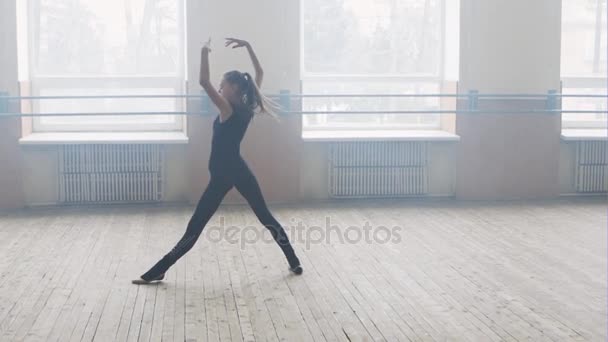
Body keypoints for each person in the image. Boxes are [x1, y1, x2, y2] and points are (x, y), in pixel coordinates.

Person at [132, 37, 303, 285]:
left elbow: (203, 81)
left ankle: (159, 269)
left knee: (195, 227)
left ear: (234, 88)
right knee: (265, 216)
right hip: (236, 171)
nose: (220, 88)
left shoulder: (228, 109)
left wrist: (204, 51)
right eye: (220, 85)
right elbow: (260, 73)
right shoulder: (247, 106)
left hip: (224, 174)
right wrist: (249, 47)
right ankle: (294, 260)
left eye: (223, 85)